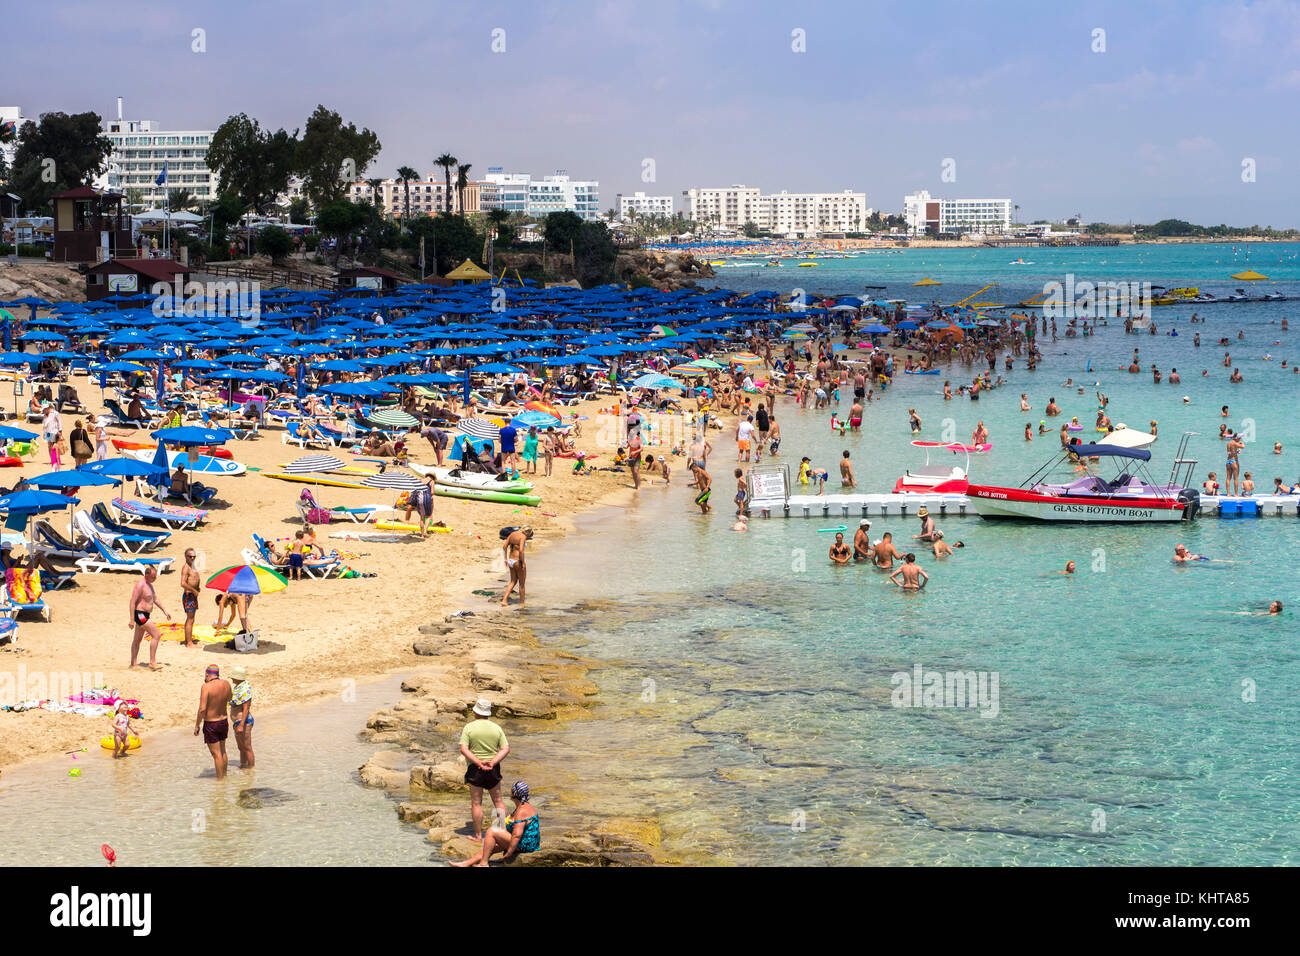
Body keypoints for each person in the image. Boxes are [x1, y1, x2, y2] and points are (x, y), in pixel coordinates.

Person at [450, 780, 540, 867]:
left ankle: (483, 864)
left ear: (514, 794)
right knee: (489, 847)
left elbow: (517, 835)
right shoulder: (525, 806)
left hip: (526, 845)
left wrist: (509, 852)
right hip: (530, 843)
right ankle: (465, 864)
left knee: (492, 831)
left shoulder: (522, 811)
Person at [459, 699, 510, 841]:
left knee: (476, 803)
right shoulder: (496, 728)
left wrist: (478, 762)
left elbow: (463, 749)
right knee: (498, 801)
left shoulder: (469, 727)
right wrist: (493, 761)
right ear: (488, 713)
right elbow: (505, 748)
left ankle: (478, 836)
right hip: (493, 768)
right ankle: (499, 834)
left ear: (476, 711)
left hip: (475, 769)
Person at [195, 664, 233, 779]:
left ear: (207, 674)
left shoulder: (206, 686)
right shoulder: (226, 684)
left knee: (216, 755)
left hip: (211, 723)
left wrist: (197, 725)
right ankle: (225, 776)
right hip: (223, 721)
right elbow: (229, 698)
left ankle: (220, 783)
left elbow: (202, 709)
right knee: (222, 751)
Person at [129, 566, 171, 671]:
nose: (155, 578)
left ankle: (133, 664)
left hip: (145, 615)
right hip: (140, 615)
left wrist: (164, 610)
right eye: (153, 577)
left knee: (137, 640)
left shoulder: (150, 585)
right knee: (156, 635)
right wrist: (131, 619)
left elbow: (155, 598)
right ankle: (152, 663)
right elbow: (132, 602)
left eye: (155, 576)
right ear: (146, 575)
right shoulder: (140, 585)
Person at [229, 665, 254, 770]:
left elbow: (246, 708)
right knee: (241, 747)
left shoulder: (244, 689)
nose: (231, 678)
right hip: (238, 722)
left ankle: (251, 770)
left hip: (243, 722)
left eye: (233, 677)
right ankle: (243, 766)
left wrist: (241, 725)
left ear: (237, 677)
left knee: (247, 747)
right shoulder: (238, 687)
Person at [501, 526, 531, 606]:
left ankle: (504, 600)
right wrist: (523, 562)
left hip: (510, 560)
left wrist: (505, 559)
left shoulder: (512, 534)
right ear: (527, 532)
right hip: (518, 561)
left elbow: (504, 546)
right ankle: (522, 604)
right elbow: (521, 550)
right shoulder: (523, 536)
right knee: (522, 584)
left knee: (513, 581)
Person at [180, 548, 201, 648]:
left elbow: (193, 579)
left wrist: (197, 588)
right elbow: (183, 583)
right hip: (189, 596)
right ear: (186, 557)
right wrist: (194, 590)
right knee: (190, 619)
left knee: (191, 619)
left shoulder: (192, 566)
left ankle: (187, 639)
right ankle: (189, 643)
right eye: (190, 556)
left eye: (194, 556)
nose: (192, 558)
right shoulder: (186, 568)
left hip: (193, 595)